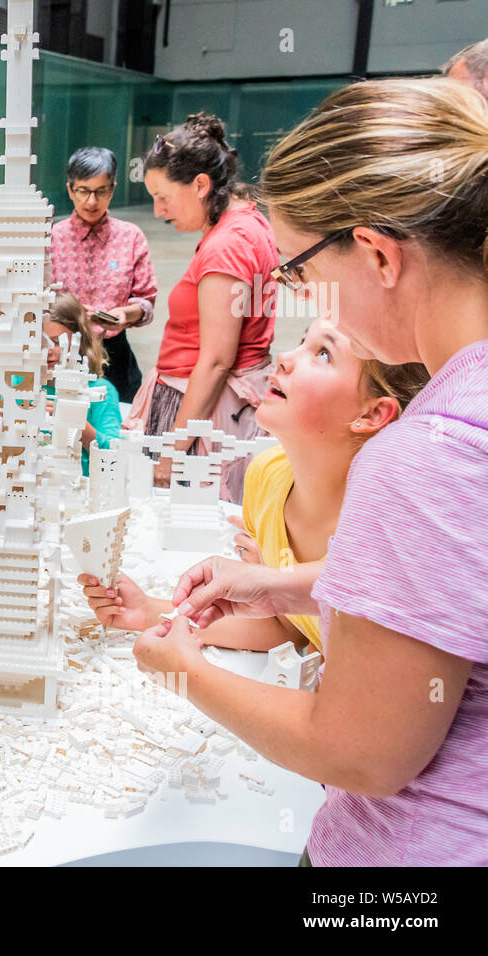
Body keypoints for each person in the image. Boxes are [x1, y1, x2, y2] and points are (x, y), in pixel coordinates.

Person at [139, 78, 488, 866]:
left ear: (375, 253)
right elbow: (451, 593)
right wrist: (289, 584)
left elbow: (363, 750)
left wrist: (182, 672)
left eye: (299, 271)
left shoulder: (424, 457)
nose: (298, 304)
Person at [81, 318, 426, 656]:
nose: (285, 357)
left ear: (373, 414)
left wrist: (188, 675)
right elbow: (285, 627)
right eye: (303, 341)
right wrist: (147, 611)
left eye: (323, 354)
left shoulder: (383, 530)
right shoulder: (267, 476)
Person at [129, 113, 277, 503]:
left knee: (189, 524)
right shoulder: (245, 220)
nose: (158, 212)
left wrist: (173, 450)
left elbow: (214, 360)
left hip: (206, 413)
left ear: (200, 184)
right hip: (219, 407)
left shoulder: (226, 245)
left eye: (163, 198)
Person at [47, 147, 157, 403]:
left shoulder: (130, 237)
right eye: (84, 191)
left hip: (116, 357)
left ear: (113, 188)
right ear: (70, 189)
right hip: (62, 355)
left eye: (101, 191)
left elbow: (146, 301)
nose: (92, 202)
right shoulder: (51, 240)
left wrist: (124, 315)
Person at [42, 292, 121, 476]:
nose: (48, 352)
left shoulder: (101, 391)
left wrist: (74, 421)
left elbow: (113, 452)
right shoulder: (20, 384)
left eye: (56, 342)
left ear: (79, 341)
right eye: (40, 343)